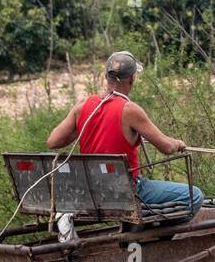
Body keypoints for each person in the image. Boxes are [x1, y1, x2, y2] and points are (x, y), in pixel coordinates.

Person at [46, 51, 204, 229]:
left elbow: (52, 141)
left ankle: (138, 227)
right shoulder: (130, 110)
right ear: (132, 78)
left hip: (94, 190)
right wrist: (178, 143)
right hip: (127, 190)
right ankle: (148, 231)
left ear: (106, 76)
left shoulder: (82, 106)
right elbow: (167, 147)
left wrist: (81, 129)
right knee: (194, 196)